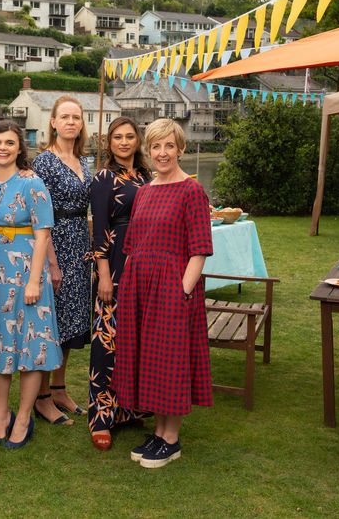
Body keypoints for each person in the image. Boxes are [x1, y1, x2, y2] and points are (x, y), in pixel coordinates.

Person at [112, 118, 213, 469]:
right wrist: (127, 287)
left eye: (169, 145)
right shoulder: (145, 191)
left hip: (173, 287)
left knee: (170, 361)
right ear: (148, 150)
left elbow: (199, 249)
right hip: (140, 287)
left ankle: (172, 439)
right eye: (156, 146)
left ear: (180, 149)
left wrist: (183, 292)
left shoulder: (192, 191)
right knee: (150, 361)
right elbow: (133, 245)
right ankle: (159, 432)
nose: (162, 152)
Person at [0, 121, 62, 449]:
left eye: (9, 142)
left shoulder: (32, 183)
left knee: (30, 347)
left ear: (20, 148)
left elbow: (42, 234)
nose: (3, 148)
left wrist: (35, 279)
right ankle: (2, 416)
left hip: (26, 274)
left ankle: (23, 418)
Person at [87, 116, 151, 451]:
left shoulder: (146, 176)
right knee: (107, 339)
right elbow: (98, 229)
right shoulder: (103, 178)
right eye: (117, 138)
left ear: (138, 141)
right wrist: (103, 273)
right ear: (109, 143)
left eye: (129, 137)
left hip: (145, 263)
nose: (124, 142)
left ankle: (129, 408)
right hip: (115, 262)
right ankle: (102, 417)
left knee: (134, 337)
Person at [31, 96, 92, 425]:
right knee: (50, 324)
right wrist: (51, 262)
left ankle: (59, 388)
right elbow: (40, 216)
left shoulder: (86, 160)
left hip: (80, 243)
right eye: (64, 117)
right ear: (53, 122)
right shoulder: (44, 162)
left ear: (82, 123)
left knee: (70, 323)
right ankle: (41, 397)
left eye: (76, 117)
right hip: (54, 244)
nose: (71, 122)